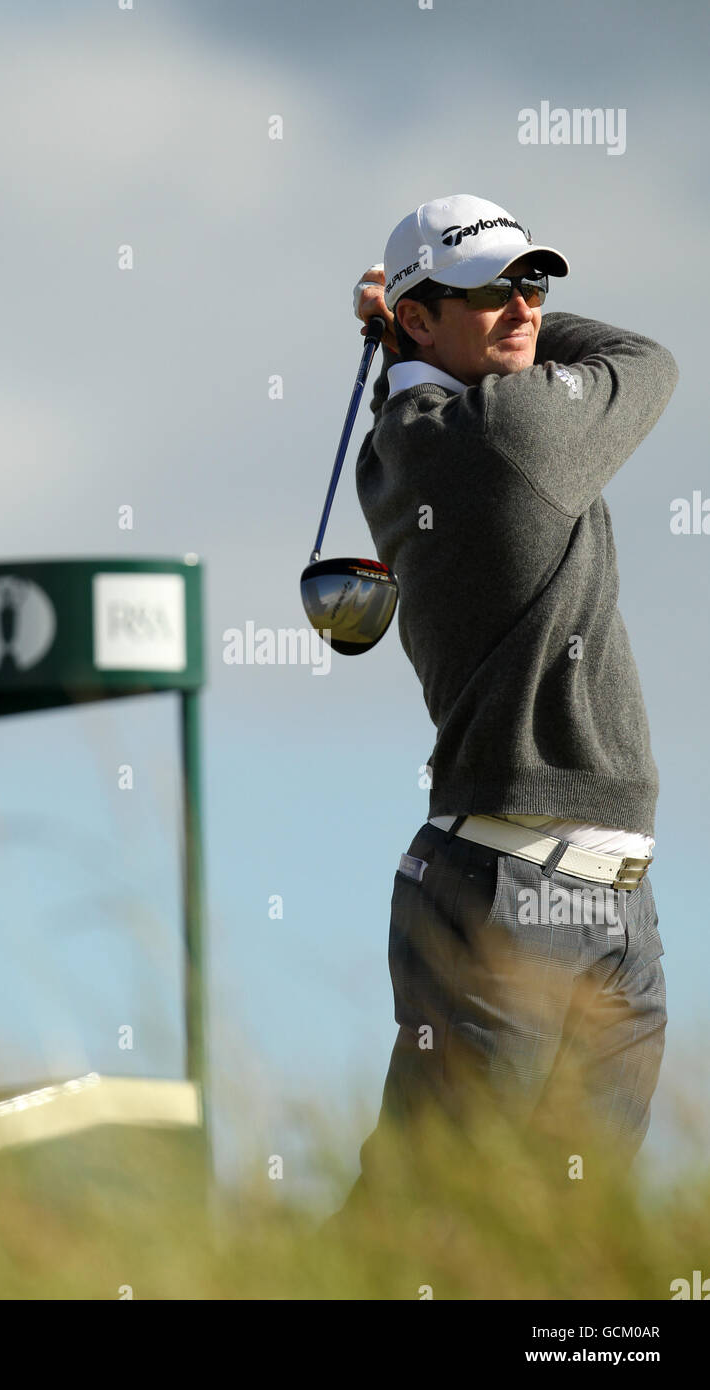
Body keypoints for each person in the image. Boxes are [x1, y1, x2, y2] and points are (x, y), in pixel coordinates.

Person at [337, 192, 678, 1219]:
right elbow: (646, 359)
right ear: (416, 318)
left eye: (530, 281)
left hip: (609, 895)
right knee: (426, 1217)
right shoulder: (506, 430)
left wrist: (420, 324)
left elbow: (421, 385)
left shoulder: (403, 432)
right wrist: (405, 324)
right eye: (484, 290)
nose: (521, 306)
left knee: (558, 1246)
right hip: (510, 894)